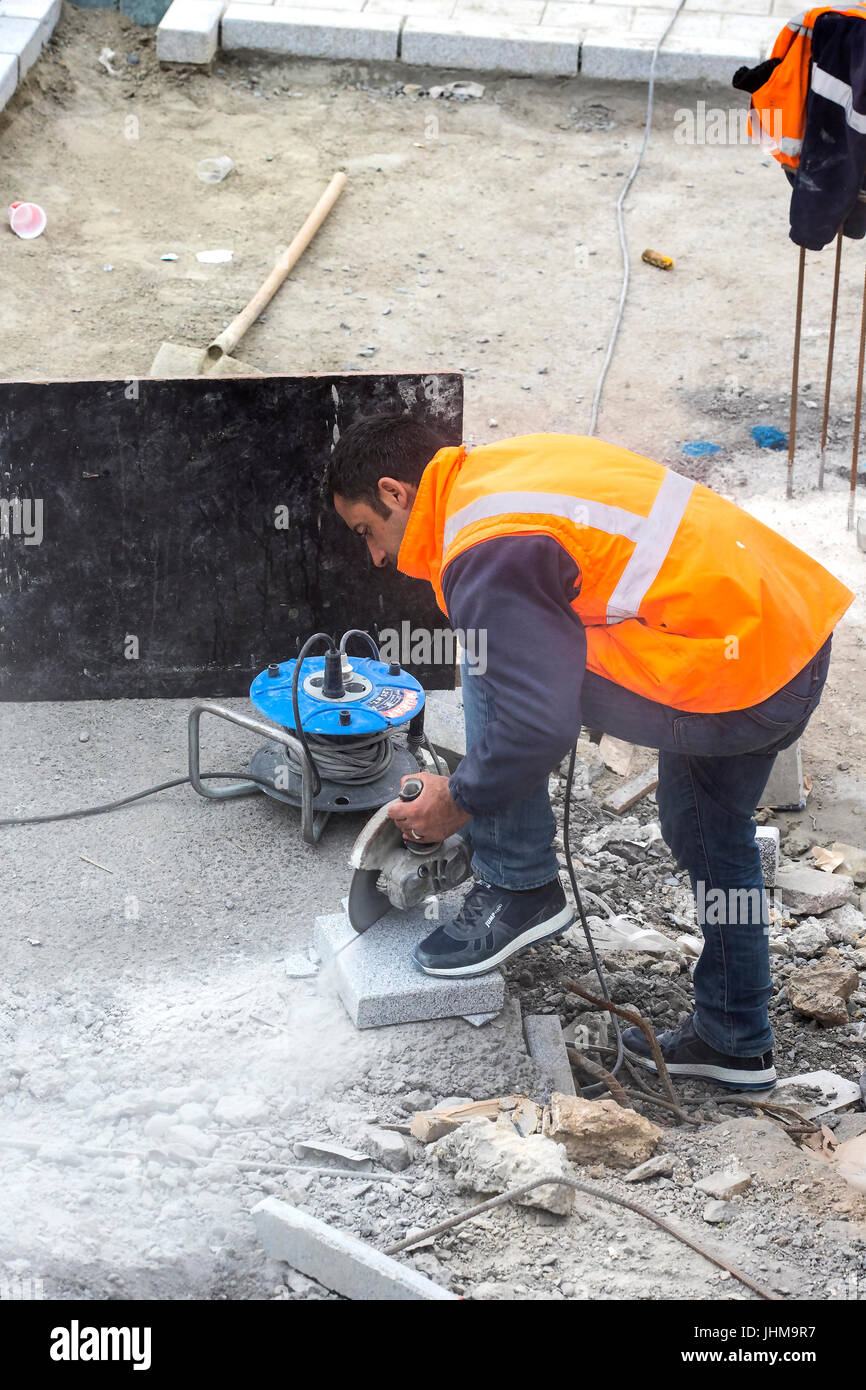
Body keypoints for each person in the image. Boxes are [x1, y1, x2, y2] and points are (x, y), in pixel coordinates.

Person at [324, 414, 854, 1090]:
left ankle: (519, 887)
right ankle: (736, 1038)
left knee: (492, 659)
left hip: (734, 677)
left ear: (395, 492)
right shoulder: (503, 469)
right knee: (708, 830)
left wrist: (459, 801)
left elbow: (535, 725)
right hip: (777, 633)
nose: (375, 557)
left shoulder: (482, 547)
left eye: (367, 531)